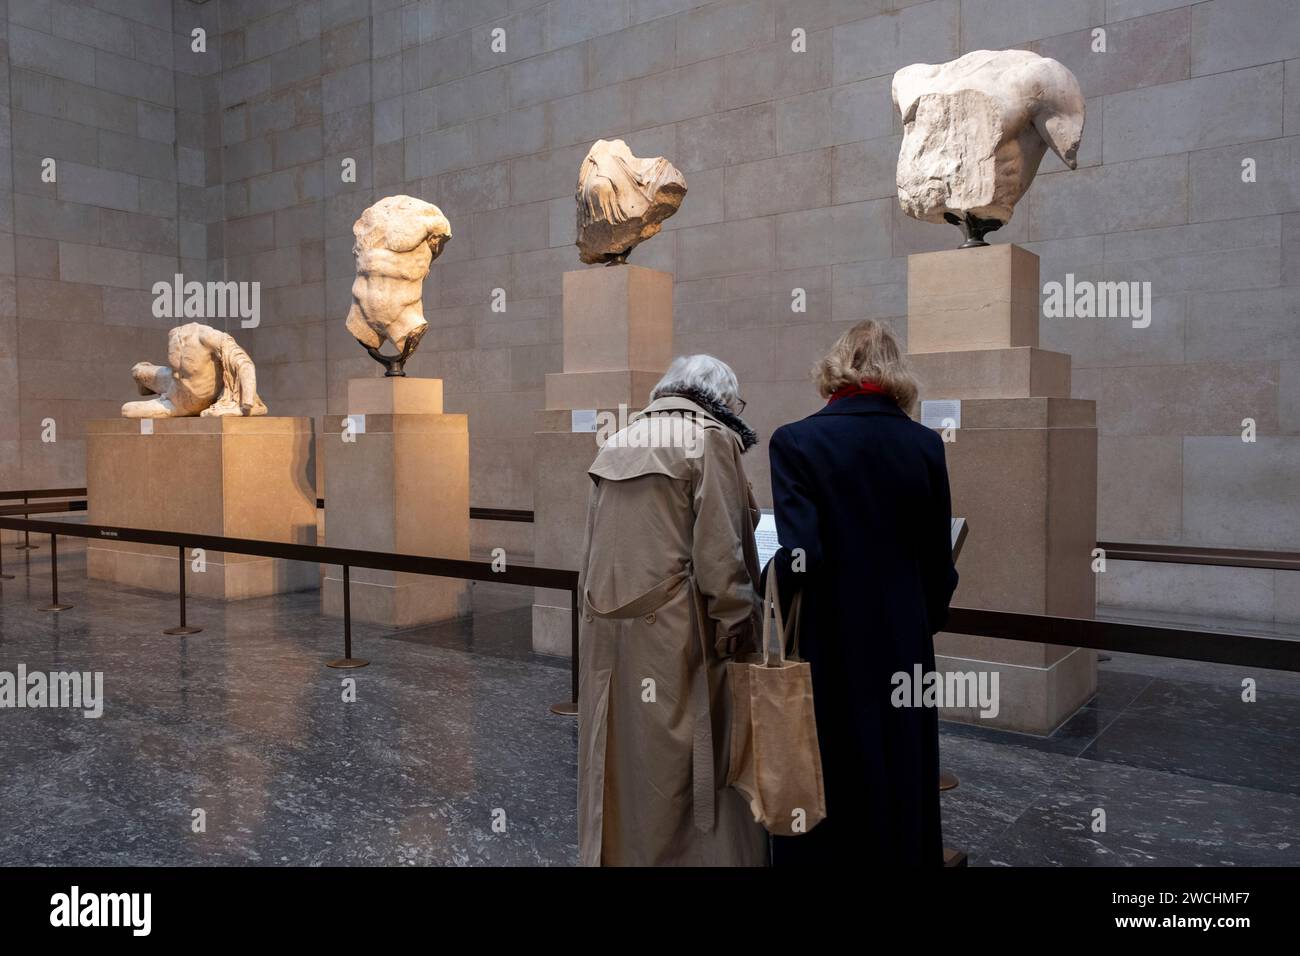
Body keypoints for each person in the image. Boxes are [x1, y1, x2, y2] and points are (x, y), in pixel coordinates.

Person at [766, 319, 958, 866]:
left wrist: (768, 584)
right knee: (903, 762)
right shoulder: (924, 443)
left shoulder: (796, 440)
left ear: (837, 366)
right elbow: (938, 560)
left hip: (830, 634)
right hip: (904, 634)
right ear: (895, 371)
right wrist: (919, 619)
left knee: (831, 758)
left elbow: (801, 556)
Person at [577, 355, 769, 866]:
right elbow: (721, 549)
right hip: (682, 633)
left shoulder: (619, 440)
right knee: (692, 761)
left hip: (610, 632)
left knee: (624, 756)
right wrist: (737, 620)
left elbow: (593, 548)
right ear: (722, 398)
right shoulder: (711, 439)